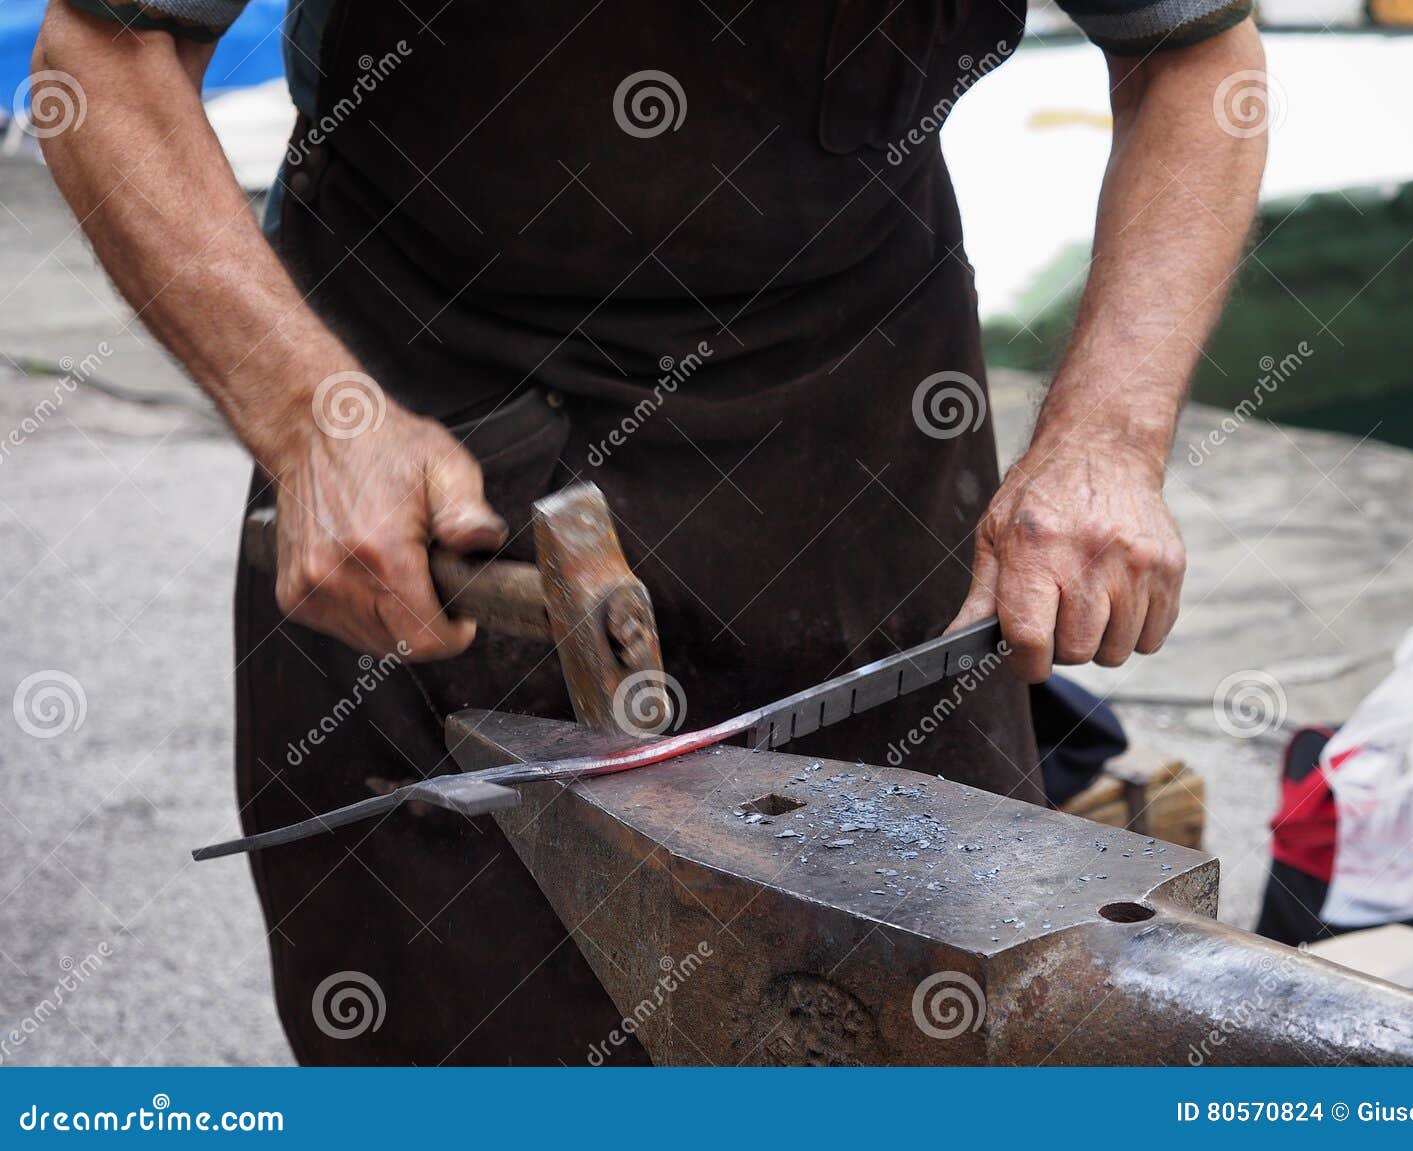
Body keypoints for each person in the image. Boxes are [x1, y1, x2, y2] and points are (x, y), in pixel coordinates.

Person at [35, 0, 1266, 1063]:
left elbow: (1194, 65)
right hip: (437, 406)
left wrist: (1106, 439)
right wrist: (308, 423)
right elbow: (104, 63)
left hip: (861, 426)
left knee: (934, 1025)